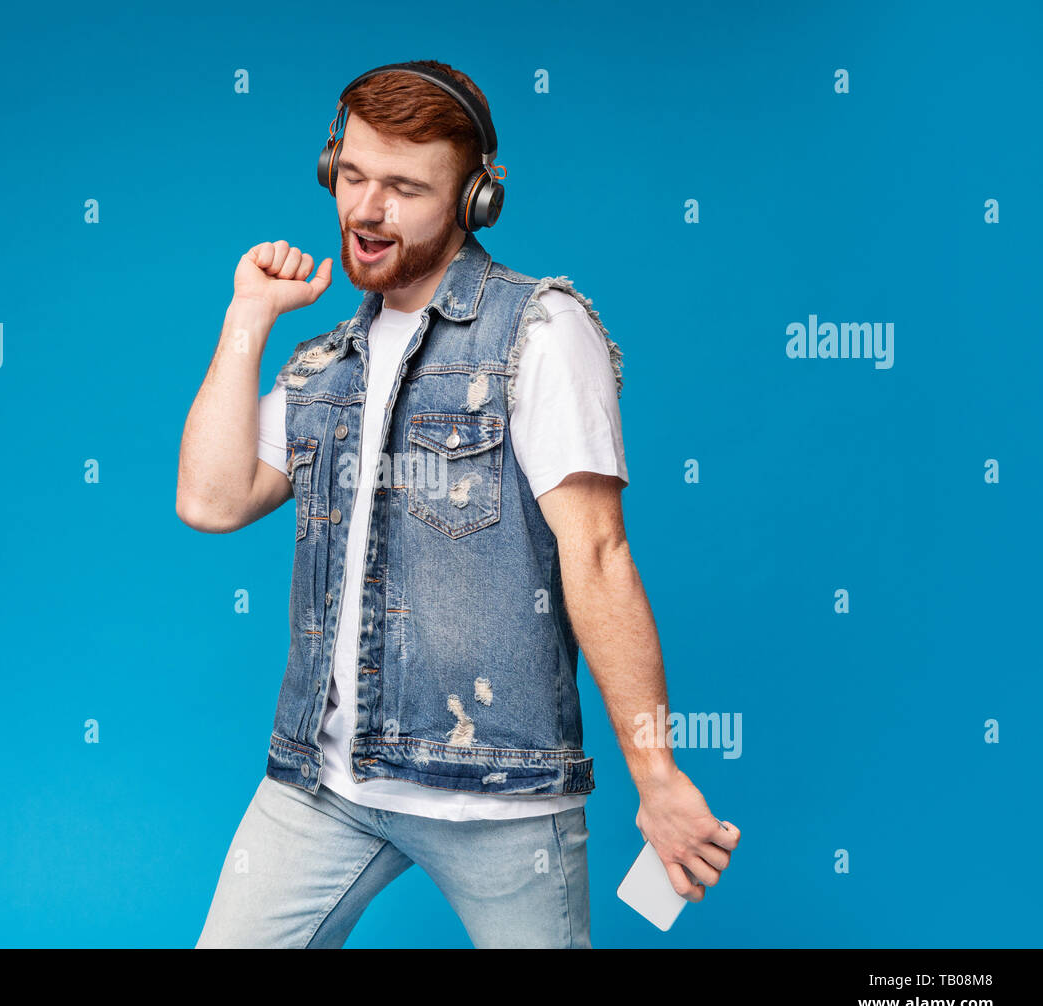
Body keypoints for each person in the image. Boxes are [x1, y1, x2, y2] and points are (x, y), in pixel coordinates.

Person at [176, 59, 740, 948]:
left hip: (501, 796)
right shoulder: (329, 362)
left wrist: (658, 775)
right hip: (322, 788)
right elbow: (210, 500)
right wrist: (249, 317)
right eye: (353, 176)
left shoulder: (541, 333)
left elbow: (597, 557)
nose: (367, 210)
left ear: (475, 199)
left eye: (405, 188)